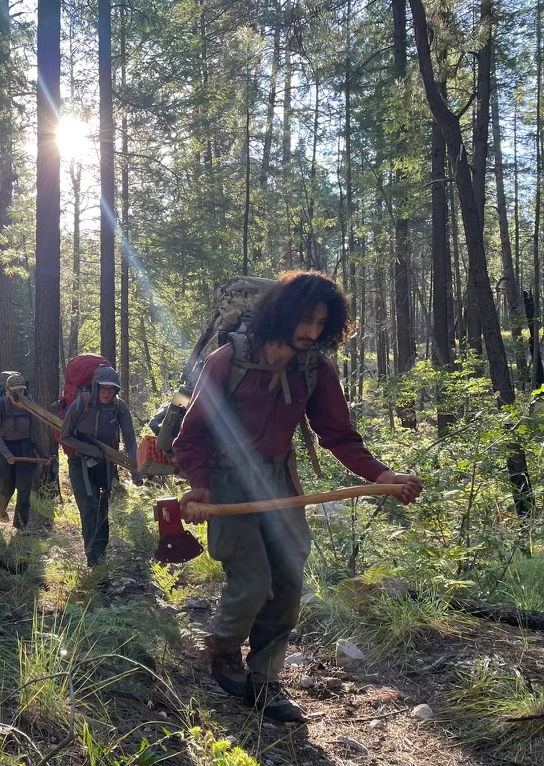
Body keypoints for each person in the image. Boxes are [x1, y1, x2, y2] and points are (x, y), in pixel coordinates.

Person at [173, 271, 423, 723]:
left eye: (320, 324)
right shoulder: (227, 362)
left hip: (279, 482)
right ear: (282, 314)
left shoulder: (315, 368)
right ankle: (223, 652)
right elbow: (190, 438)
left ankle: (265, 678)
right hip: (227, 481)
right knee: (251, 582)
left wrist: (384, 475)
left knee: (288, 581)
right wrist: (200, 486)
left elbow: (340, 436)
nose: (311, 332)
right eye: (304, 321)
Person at [60, 366, 139, 567]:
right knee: (88, 506)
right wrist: (87, 448)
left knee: (102, 506)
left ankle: (100, 555)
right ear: (96, 387)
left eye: (111, 390)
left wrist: (135, 470)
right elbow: (65, 436)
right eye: (103, 389)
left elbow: (130, 440)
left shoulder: (119, 407)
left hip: (105, 464)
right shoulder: (81, 404)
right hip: (79, 462)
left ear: (116, 391)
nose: (106, 393)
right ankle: (91, 557)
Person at [0, 373, 51, 530]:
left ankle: (21, 526)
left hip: (25, 448)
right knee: (6, 486)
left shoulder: (30, 407)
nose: (19, 394)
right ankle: (0, 506)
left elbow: (36, 433)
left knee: (24, 488)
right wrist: (7, 454)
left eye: (21, 391)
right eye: (15, 391)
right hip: (4, 448)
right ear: (8, 390)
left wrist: (43, 454)